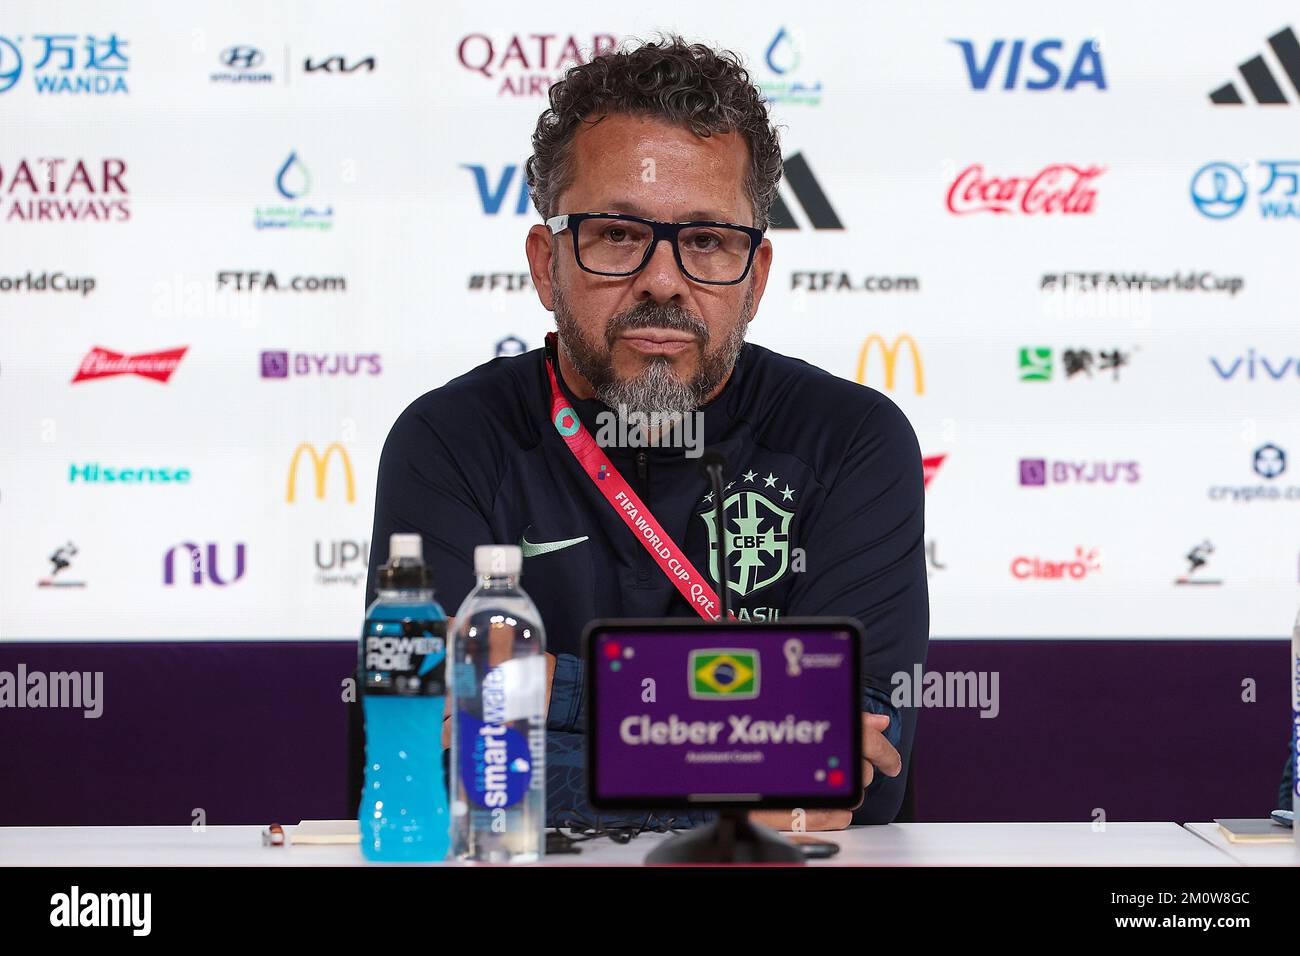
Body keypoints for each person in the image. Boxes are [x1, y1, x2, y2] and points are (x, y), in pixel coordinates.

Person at [352, 35, 929, 832]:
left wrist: (549, 688)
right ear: (545, 261)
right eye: (617, 234)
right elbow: (443, 759)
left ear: (755, 277)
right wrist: (751, 752)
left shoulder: (851, 439)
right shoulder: (448, 441)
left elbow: (863, 772)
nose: (662, 279)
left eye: (705, 241)